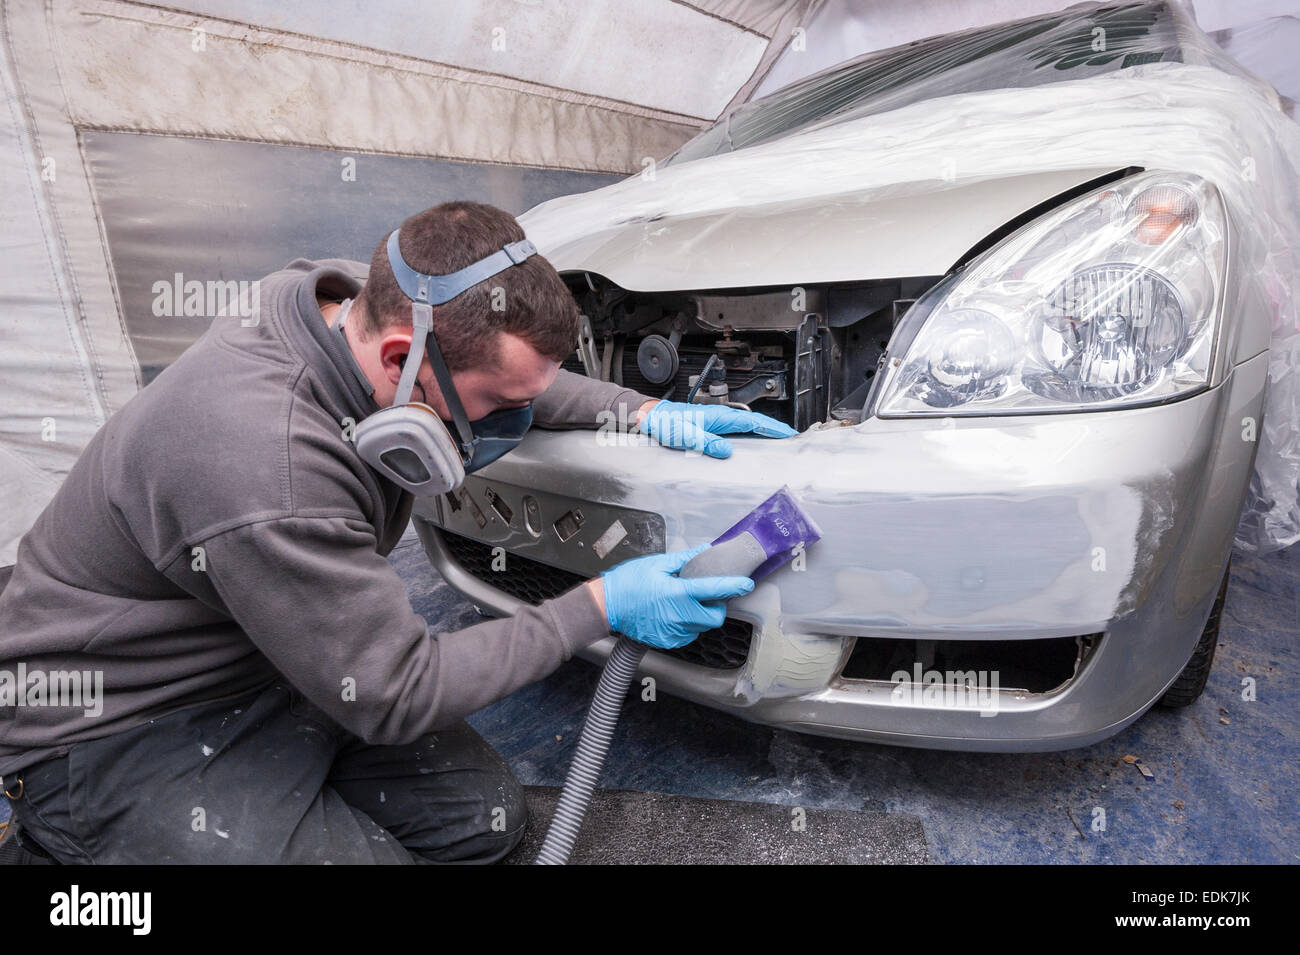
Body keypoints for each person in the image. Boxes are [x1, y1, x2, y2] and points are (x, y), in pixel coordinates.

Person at [0, 200, 796, 864]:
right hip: (117, 725)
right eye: (492, 409)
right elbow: (397, 691)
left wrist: (645, 412)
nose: (510, 426)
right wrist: (600, 605)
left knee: (484, 820)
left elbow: (503, 371)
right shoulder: (268, 469)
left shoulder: (364, 300)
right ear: (397, 358)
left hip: (267, 662)